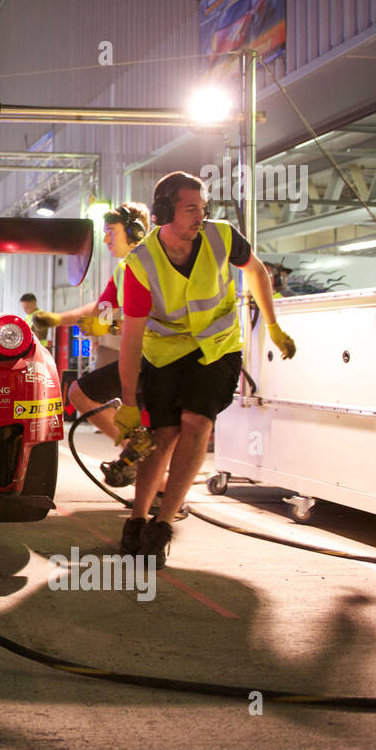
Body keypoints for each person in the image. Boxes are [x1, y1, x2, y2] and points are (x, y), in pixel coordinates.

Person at [113, 172, 295, 568]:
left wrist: (273, 324)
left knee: (196, 424)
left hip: (217, 349)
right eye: (190, 208)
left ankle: (160, 528)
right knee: (162, 435)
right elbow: (130, 338)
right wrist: (128, 400)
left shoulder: (222, 236)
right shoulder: (140, 263)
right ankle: (136, 518)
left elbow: (257, 271)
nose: (201, 215)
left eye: (203, 207)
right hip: (164, 354)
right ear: (164, 213)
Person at [31, 202, 150, 458]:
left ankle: (138, 452)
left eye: (112, 231)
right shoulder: (124, 270)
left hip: (162, 357)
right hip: (146, 356)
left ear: (136, 232)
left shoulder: (153, 265)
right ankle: (143, 460)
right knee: (153, 429)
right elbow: (102, 310)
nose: (106, 238)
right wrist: (56, 319)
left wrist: (114, 325)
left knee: (80, 393)